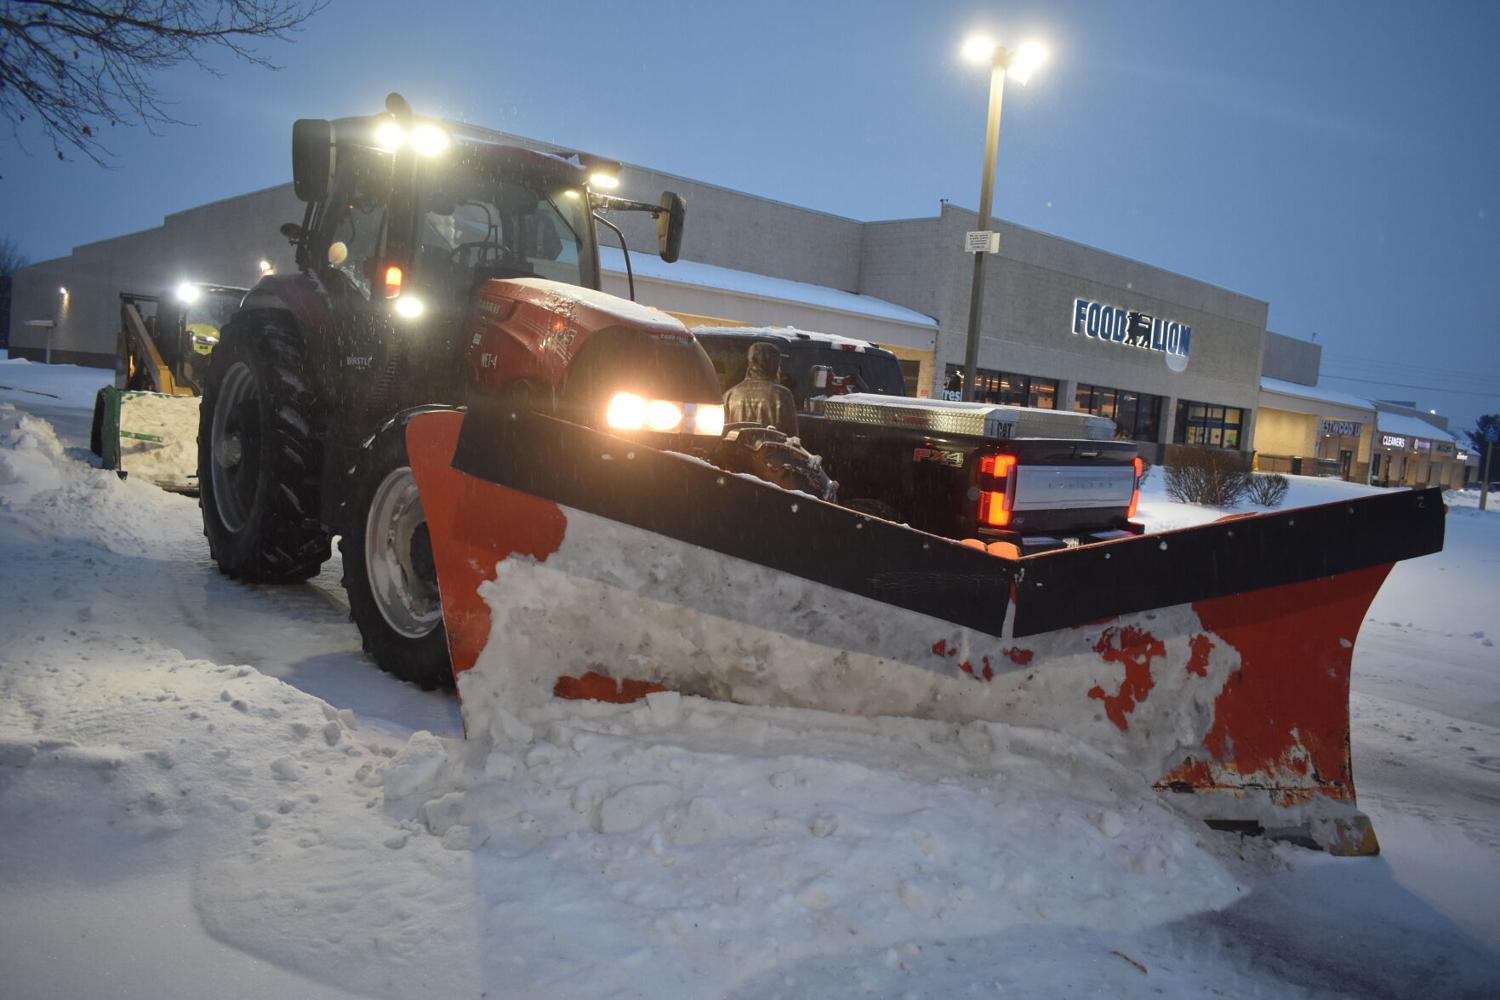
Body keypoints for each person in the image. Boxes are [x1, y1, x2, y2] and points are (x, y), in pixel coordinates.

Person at [724, 342, 798, 435]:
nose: (780, 370)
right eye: (778, 365)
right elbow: (792, 438)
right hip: (771, 449)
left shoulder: (730, 395)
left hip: (737, 449)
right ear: (772, 366)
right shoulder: (782, 395)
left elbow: (722, 433)